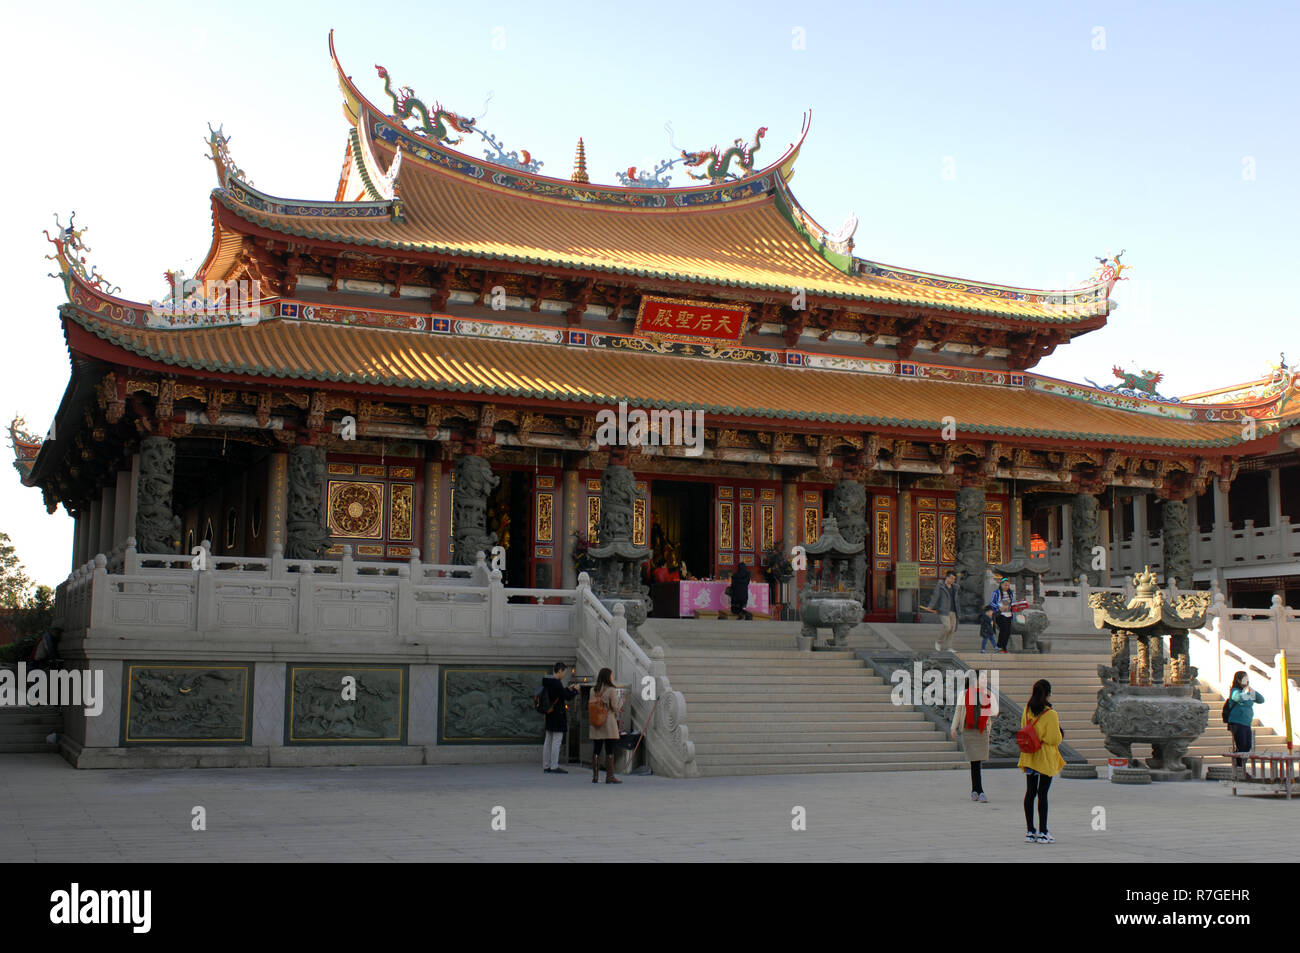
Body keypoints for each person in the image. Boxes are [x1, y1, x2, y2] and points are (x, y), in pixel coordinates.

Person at [1018, 679, 1064, 844]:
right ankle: (1044, 831)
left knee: (1030, 792)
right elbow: (1054, 738)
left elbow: (1024, 727)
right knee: (1042, 793)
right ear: (1048, 693)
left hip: (1030, 756)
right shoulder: (1050, 713)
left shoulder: (1027, 709)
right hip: (1044, 757)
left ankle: (1030, 831)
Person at [951, 671, 993, 801]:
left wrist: (988, 728)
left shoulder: (986, 694)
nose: (984, 681)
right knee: (975, 761)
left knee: (977, 761)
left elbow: (988, 714)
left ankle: (975, 789)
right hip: (968, 731)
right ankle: (980, 791)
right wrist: (954, 727)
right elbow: (958, 711)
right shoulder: (964, 694)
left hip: (981, 731)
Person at [540, 662, 580, 774]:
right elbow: (565, 697)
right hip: (558, 714)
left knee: (548, 740)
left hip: (549, 713)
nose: (564, 675)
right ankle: (554, 766)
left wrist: (568, 689)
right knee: (556, 741)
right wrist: (576, 691)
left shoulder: (547, 682)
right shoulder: (556, 683)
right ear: (560, 671)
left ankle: (546, 765)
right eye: (564, 672)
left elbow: (560, 694)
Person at [589, 667, 625, 784]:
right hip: (608, 722)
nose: (612, 677)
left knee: (596, 749)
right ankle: (609, 776)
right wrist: (622, 701)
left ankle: (595, 776)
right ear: (608, 677)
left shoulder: (592, 690)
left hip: (596, 722)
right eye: (611, 675)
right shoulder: (611, 690)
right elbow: (615, 708)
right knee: (610, 750)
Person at [1226, 670, 1263, 777]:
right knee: (1241, 746)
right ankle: (1239, 770)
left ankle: (1241, 768)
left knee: (1247, 746)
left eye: (1247, 679)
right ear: (1238, 680)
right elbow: (1238, 697)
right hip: (1237, 723)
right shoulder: (1235, 690)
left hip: (1246, 723)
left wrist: (1251, 691)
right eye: (1243, 679)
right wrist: (1248, 694)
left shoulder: (1248, 691)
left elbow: (1261, 699)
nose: (1245, 681)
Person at [921, 570, 960, 652]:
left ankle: (949, 647)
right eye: (952, 578)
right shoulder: (940, 586)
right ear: (947, 577)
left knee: (952, 629)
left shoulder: (955, 587)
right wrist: (930, 606)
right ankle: (939, 641)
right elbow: (935, 597)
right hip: (943, 610)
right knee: (947, 627)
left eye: (954, 579)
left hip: (954, 611)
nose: (953, 580)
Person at [989, 577, 1016, 653]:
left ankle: (1004, 647)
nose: (1006, 587)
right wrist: (999, 607)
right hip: (1000, 614)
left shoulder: (1011, 593)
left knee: (1008, 631)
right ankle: (999, 646)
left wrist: (1012, 606)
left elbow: (1012, 603)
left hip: (1009, 614)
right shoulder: (996, 592)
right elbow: (991, 603)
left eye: (1008, 585)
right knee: (1003, 629)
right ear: (1001, 585)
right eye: (1005, 585)